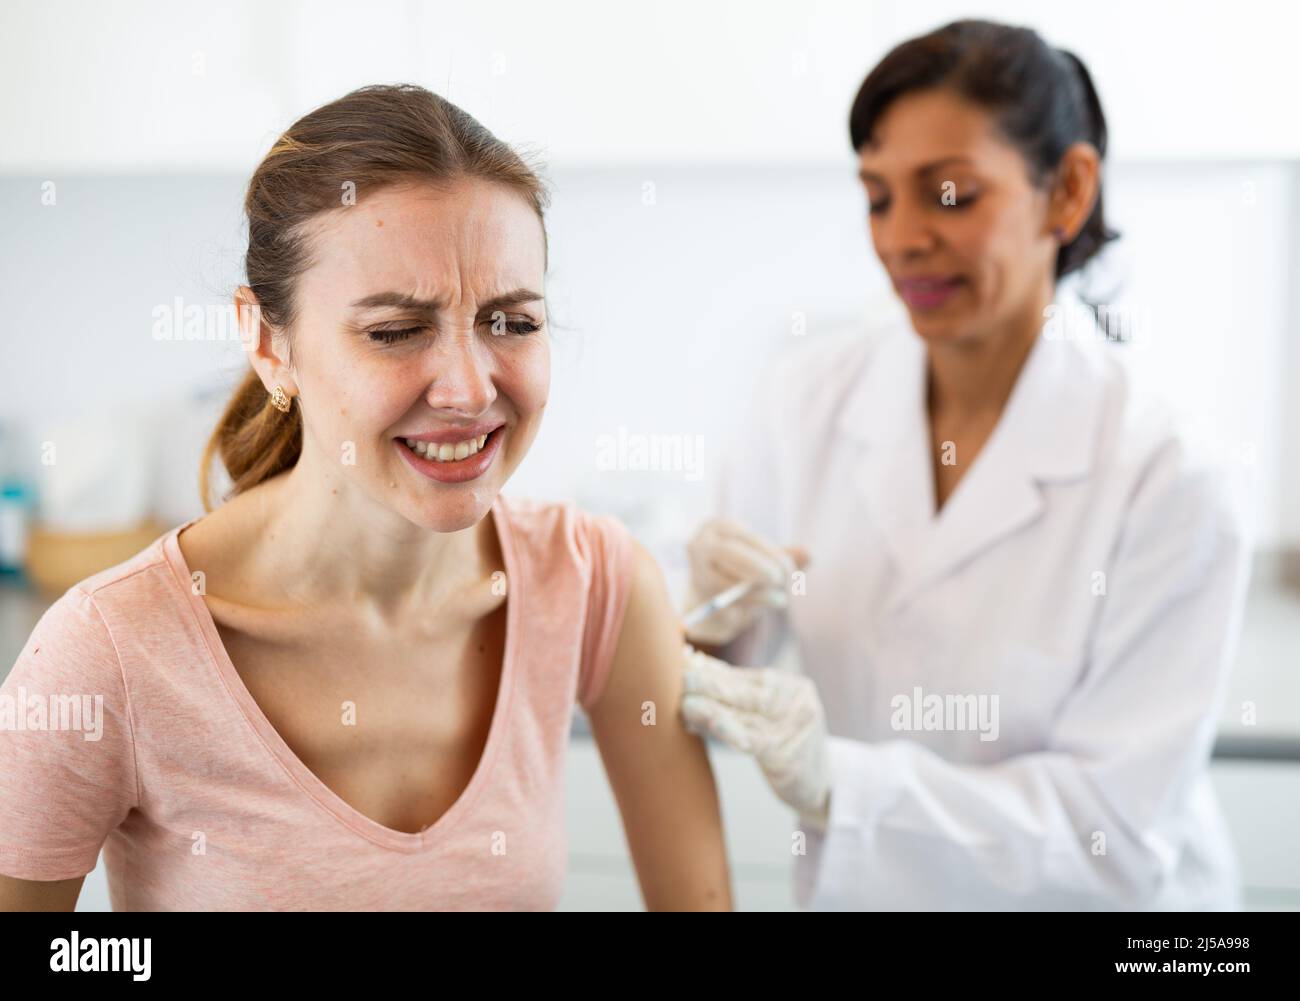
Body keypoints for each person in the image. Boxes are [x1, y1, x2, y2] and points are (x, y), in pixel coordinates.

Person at [0, 84, 730, 911]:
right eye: (395, 331)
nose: (466, 387)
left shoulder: (597, 583)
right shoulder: (109, 653)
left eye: (512, 322)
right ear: (270, 343)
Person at [678, 19, 1253, 910]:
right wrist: (707, 619)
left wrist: (843, 783)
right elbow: (707, 671)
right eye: (877, 198)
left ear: (1066, 191)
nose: (901, 238)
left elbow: (1114, 835)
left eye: (948, 195)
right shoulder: (805, 400)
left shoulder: (1169, 472)